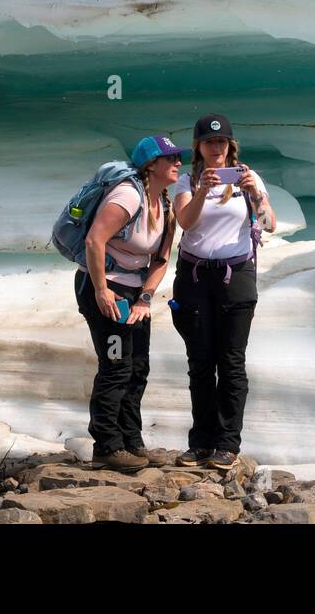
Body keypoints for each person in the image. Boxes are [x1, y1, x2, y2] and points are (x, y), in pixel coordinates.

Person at [171, 113, 277, 470]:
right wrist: (202, 190)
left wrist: (255, 195)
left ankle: (227, 444)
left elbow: (269, 224)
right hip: (196, 276)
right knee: (201, 361)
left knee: (231, 362)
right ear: (198, 147)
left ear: (230, 145)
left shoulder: (248, 176)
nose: (216, 148)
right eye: (209, 142)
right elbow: (185, 222)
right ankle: (201, 440)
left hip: (237, 275)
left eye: (222, 142)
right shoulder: (186, 182)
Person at [75, 134, 184, 473]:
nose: (178, 163)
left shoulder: (164, 205)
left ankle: (131, 442)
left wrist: (146, 298)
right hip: (104, 290)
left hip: (134, 296)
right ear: (151, 165)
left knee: (137, 367)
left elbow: (162, 259)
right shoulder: (127, 195)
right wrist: (101, 291)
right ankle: (106, 446)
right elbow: (95, 240)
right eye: (171, 158)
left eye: (178, 157)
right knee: (115, 367)